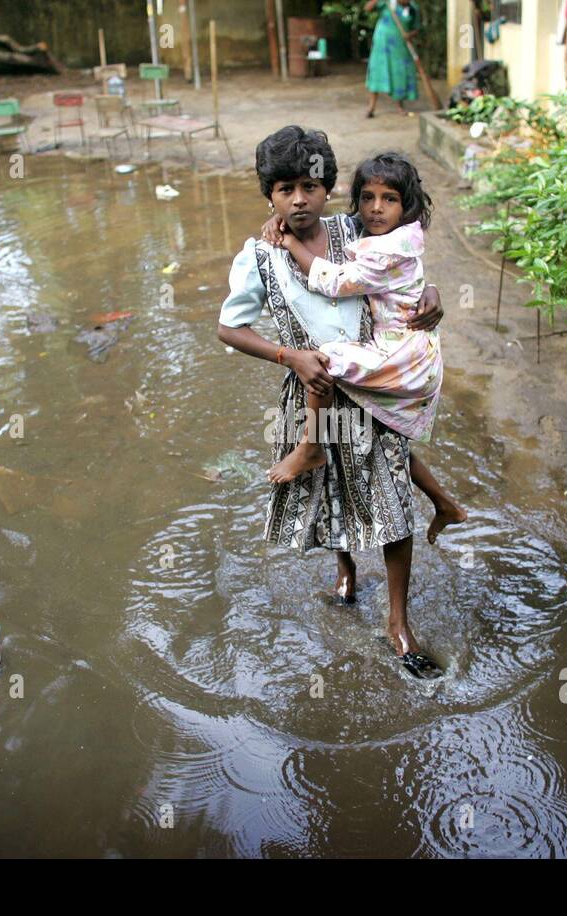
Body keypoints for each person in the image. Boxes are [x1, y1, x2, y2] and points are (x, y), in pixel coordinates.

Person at [216, 126, 446, 679]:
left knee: (391, 505)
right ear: (268, 195)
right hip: (312, 385)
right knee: (329, 489)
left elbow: (397, 271)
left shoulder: (351, 229)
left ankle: (398, 623)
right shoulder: (259, 256)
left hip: (371, 385)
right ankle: (345, 569)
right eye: (285, 189)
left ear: (327, 190)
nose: (299, 199)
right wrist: (285, 355)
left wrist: (430, 295)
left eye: (310, 187)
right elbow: (228, 328)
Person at [265, 150, 467, 549]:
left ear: (406, 206)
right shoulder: (380, 231)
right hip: (402, 350)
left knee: (322, 360)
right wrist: (279, 219)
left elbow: (334, 280)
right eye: (368, 198)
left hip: (400, 356)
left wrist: (289, 241)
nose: (376, 209)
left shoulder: (385, 247)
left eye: (389, 199)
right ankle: (444, 503)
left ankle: (308, 446)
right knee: (385, 439)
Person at [364, 0, 421, 118]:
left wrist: (409, 35)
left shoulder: (413, 8)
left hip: (400, 47)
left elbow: (417, 28)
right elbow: (367, 8)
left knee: (399, 74)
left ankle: (400, 106)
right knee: (376, 73)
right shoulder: (386, 3)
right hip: (381, 46)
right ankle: (371, 107)